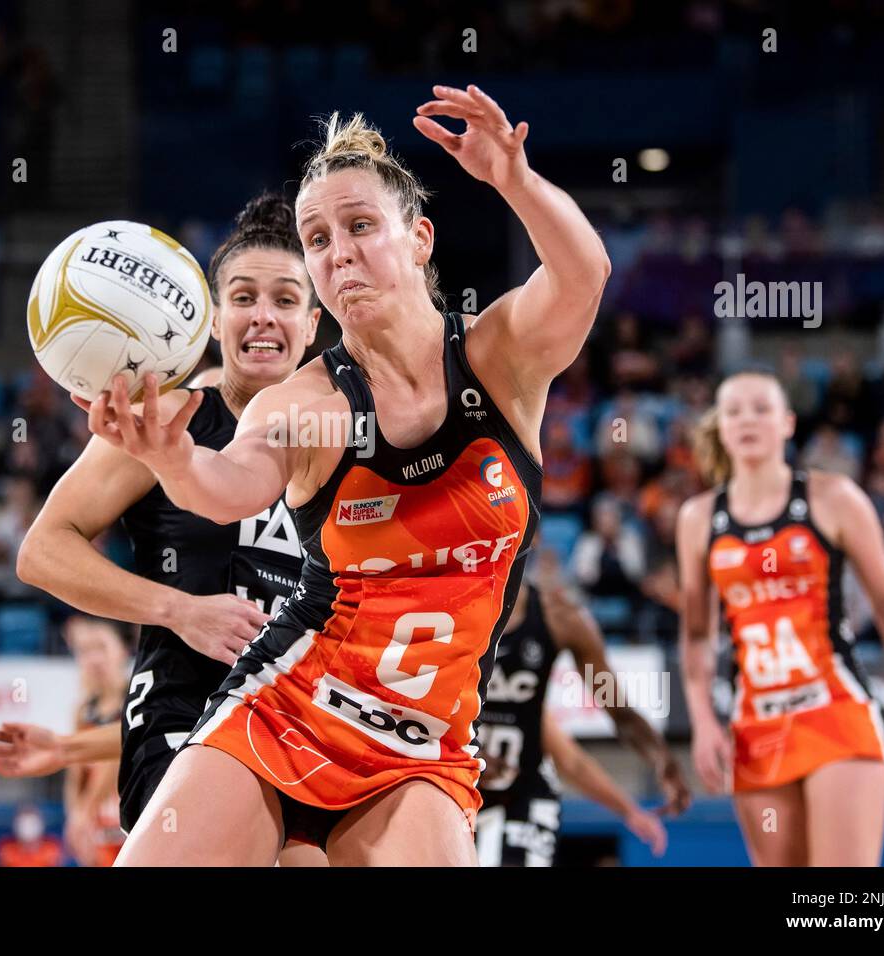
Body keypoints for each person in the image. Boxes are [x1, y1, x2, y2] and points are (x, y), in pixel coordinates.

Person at [93, 86, 610, 866]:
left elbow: (583, 277)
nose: (338, 253)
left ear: (419, 238)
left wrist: (515, 179)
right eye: (318, 238)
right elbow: (227, 486)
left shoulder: (498, 358)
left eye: (360, 226)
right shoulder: (307, 401)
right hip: (287, 707)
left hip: (423, 747)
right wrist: (168, 457)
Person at [0, 193, 325, 865]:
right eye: (244, 297)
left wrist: (69, 748)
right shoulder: (167, 414)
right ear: (214, 317)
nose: (263, 316)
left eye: (285, 300)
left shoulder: (337, 434)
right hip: (182, 720)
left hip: (302, 732)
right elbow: (43, 550)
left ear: (312, 324)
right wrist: (179, 610)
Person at [676, 369, 884, 866]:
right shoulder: (697, 519)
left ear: (788, 423)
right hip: (756, 724)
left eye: (761, 408)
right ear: (721, 427)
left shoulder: (834, 497)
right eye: (734, 410)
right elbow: (696, 633)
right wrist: (701, 720)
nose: (748, 419)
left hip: (835, 712)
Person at [474, 552, 687, 866]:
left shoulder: (560, 619)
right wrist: (473, 751)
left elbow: (616, 710)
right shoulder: (447, 614)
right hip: (459, 783)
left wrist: (661, 757)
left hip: (524, 794)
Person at [61, 617, 129, 867]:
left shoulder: (136, 700)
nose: (94, 659)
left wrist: (83, 814)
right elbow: (74, 773)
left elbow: (116, 758)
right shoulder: (83, 711)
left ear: (122, 650)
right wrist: (75, 819)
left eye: (101, 647)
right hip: (99, 829)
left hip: (132, 823)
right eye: (85, 651)